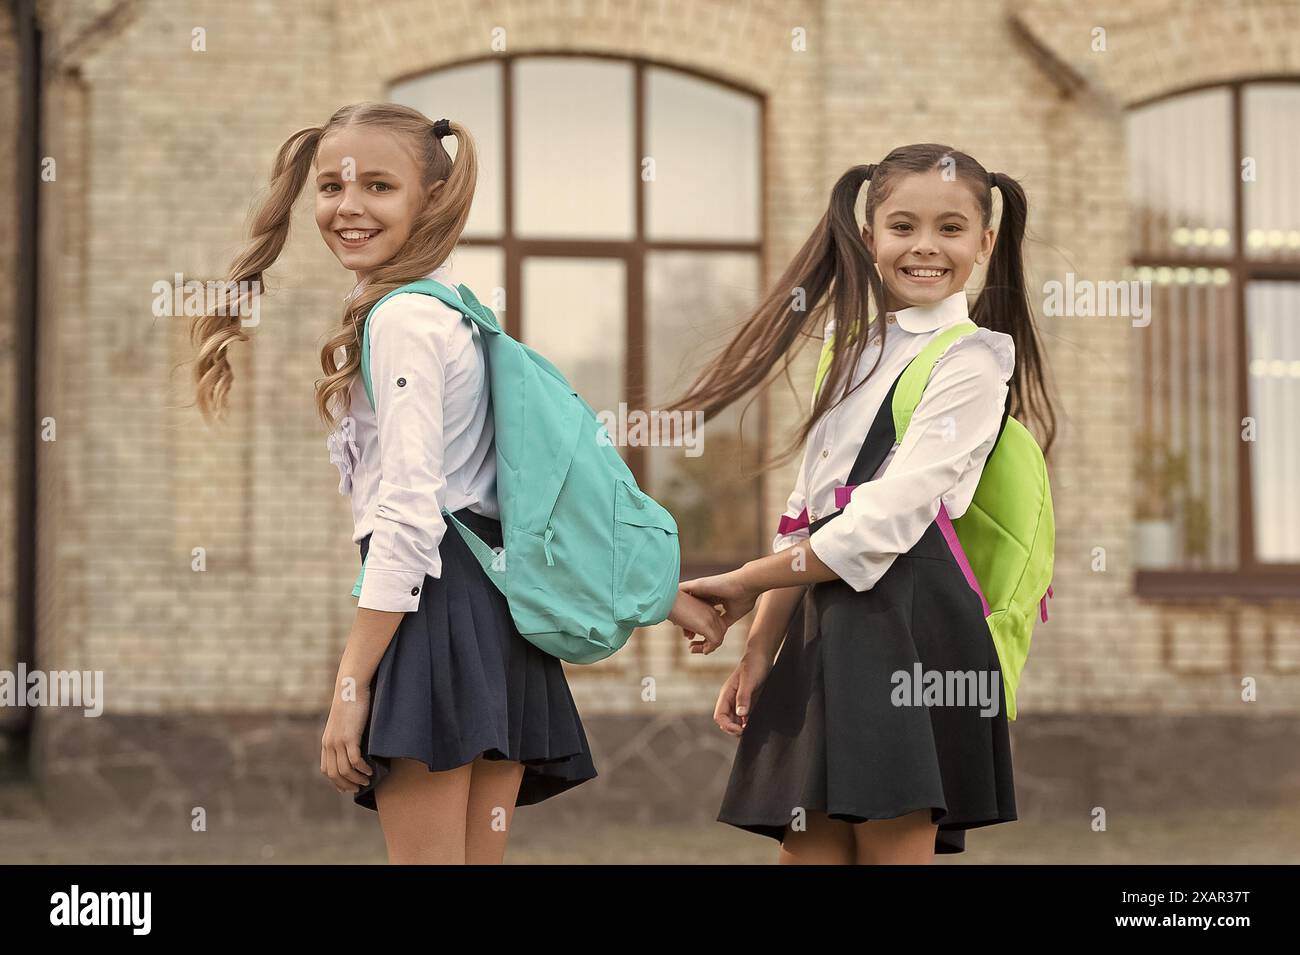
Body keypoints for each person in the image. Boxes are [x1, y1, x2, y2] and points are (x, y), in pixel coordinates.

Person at [188, 103, 724, 863]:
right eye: (332, 185)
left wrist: (349, 683)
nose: (348, 207)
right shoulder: (458, 314)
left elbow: (410, 517)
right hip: (495, 617)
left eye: (378, 185)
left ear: (432, 199)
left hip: (436, 612)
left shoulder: (404, 319)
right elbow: (526, 489)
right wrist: (661, 589)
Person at [661, 144, 1058, 864]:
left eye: (951, 227)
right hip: (825, 624)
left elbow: (884, 523)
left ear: (985, 242)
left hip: (908, 628)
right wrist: (757, 648)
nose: (926, 246)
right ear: (870, 234)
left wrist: (750, 578)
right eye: (902, 225)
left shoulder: (972, 362)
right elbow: (806, 513)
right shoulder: (848, 350)